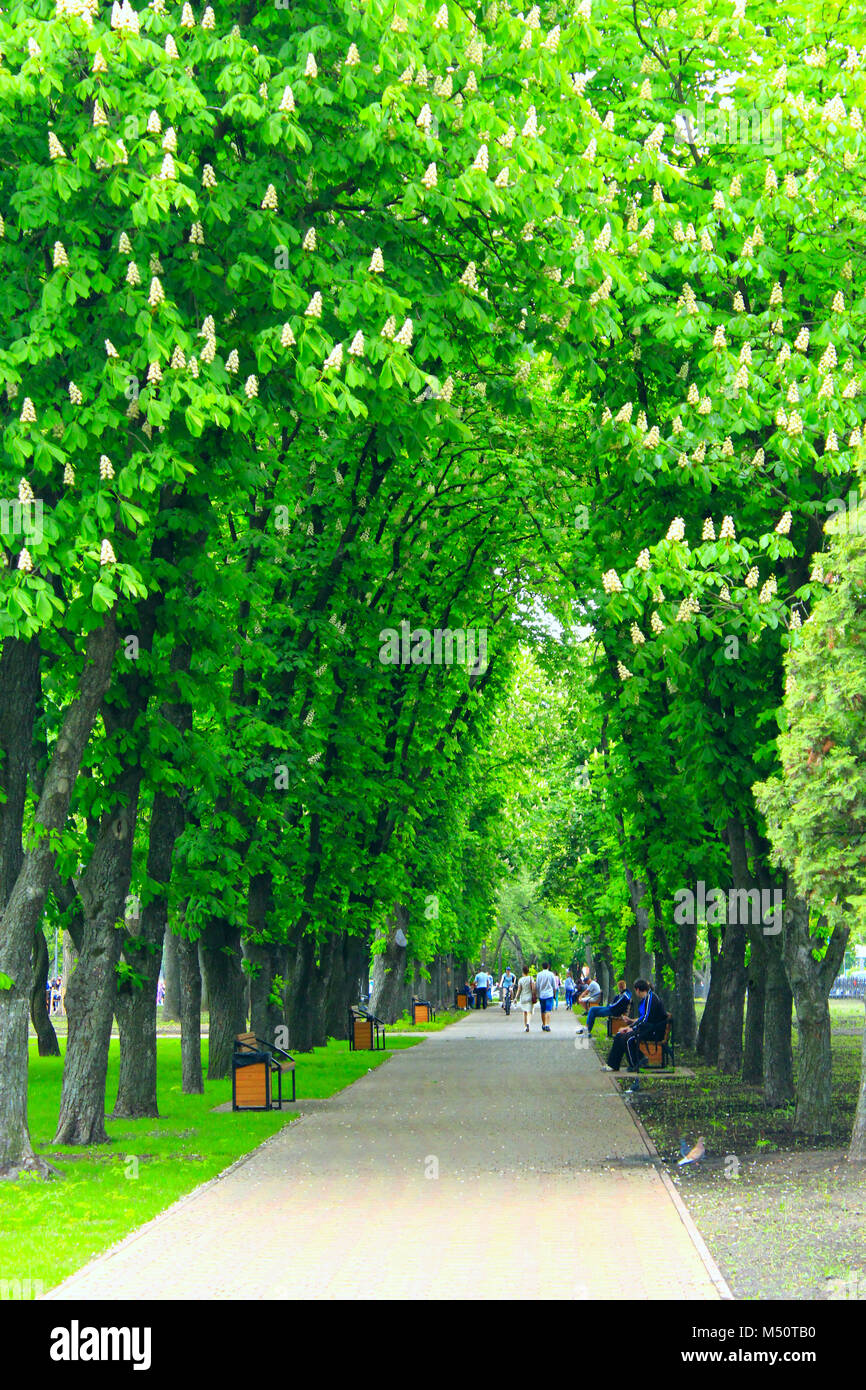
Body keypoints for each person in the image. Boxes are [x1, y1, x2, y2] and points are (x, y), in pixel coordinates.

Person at [603, 979, 667, 1072]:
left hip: (653, 1031)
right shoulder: (647, 998)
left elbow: (645, 1019)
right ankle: (613, 1065)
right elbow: (642, 1018)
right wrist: (630, 1024)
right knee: (619, 1036)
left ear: (637, 990)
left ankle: (636, 1063)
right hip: (647, 1028)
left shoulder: (651, 999)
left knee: (628, 1038)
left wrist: (631, 1028)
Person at [535, 960, 557, 1032]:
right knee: (548, 1010)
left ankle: (544, 1024)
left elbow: (537, 985)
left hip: (542, 995)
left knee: (543, 1011)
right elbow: (554, 986)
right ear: (548, 966)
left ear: (542, 967)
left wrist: (537, 994)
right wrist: (554, 994)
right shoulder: (551, 974)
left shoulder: (539, 974)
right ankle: (547, 1024)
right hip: (549, 994)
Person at [514, 964, 535, 1032]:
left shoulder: (520, 980)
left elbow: (519, 989)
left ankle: (525, 1026)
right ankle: (528, 1023)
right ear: (528, 972)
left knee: (525, 1012)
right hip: (529, 996)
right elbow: (533, 988)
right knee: (529, 1011)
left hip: (523, 997)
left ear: (523, 972)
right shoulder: (530, 978)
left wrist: (515, 998)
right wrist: (534, 994)